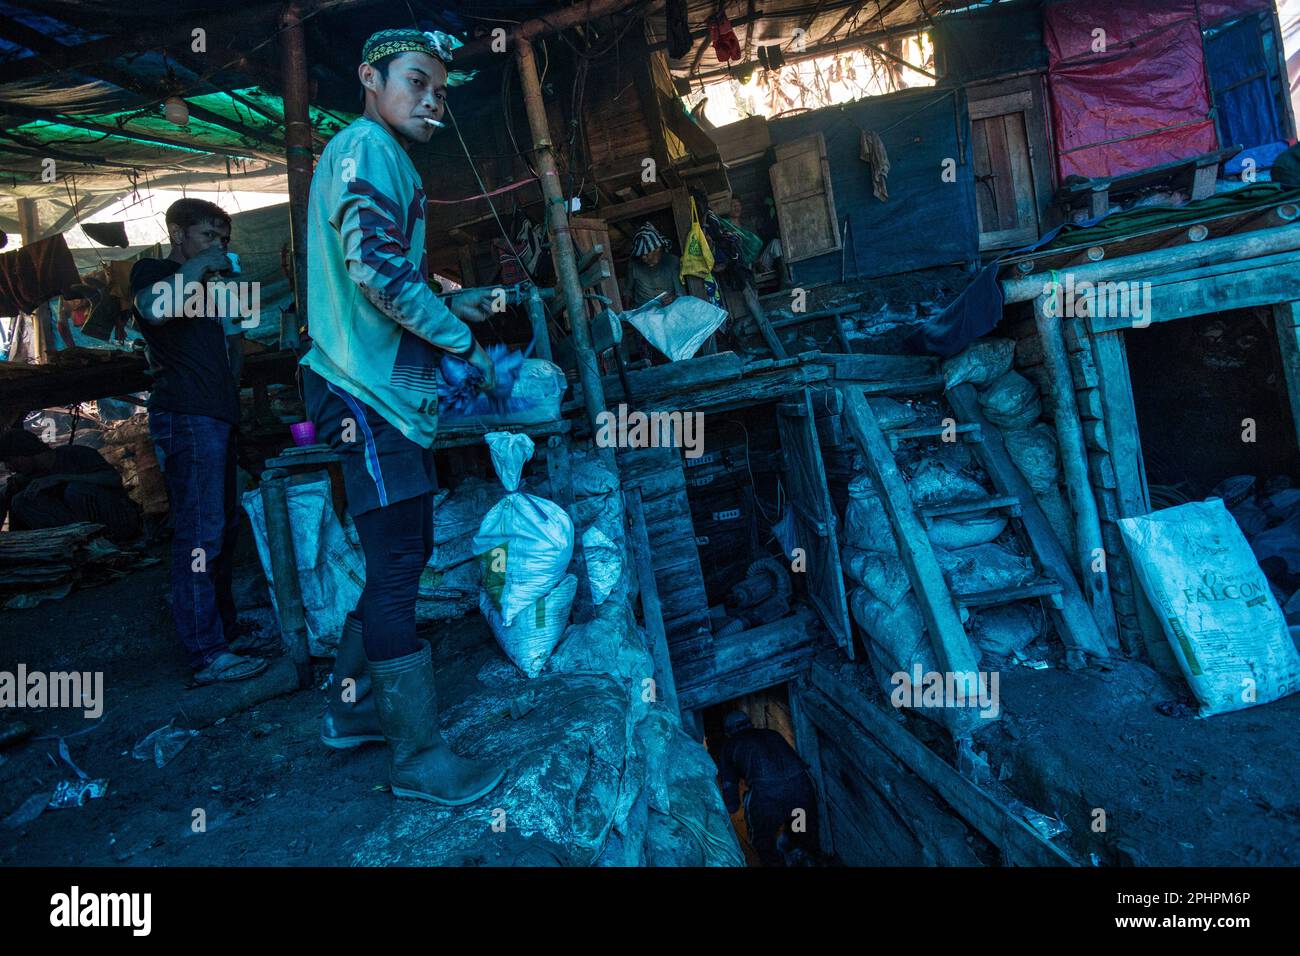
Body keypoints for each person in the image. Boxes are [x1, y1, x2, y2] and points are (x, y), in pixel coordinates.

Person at [300, 27, 504, 807]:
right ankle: (419, 759)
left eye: (441, 91)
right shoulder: (364, 148)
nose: (431, 100)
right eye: (416, 81)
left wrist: (453, 303)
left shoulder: (380, 156)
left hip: (380, 391)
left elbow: (380, 277)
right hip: (360, 390)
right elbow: (376, 269)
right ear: (370, 78)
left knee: (405, 550)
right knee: (394, 562)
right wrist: (465, 342)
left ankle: (353, 714)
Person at [131, 198, 267, 687]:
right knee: (199, 534)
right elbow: (154, 310)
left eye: (224, 239)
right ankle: (206, 654)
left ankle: (224, 634)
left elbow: (243, 334)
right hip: (185, 416)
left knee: (224, 528)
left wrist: (230, 300)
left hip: (217, 415)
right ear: (178, 235)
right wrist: (201, 266)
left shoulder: (211, 286)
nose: (219, 247)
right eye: (209, 236)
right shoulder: (152, 271)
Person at [0, 427, 141, 542]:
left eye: (10, 460)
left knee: (75, 490)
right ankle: (74, 542)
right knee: (21, 500)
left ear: (25, 453)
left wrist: (61, 478)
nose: (9, 467)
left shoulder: (76, 454)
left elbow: (113, 478)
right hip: (78, 531)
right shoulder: (29, 477)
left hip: (119, 520)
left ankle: (106, 539)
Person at [717, 710, 820, 866]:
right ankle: (802, 857)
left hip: (767, 796)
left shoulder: (729, 746)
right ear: (750, 723)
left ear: (728, 731)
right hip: (801, 788)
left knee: (763, 841)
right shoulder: (772, 734)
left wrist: (732, 806)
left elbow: (730, 792)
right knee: (801, 830)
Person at [623, 223, 685, 309]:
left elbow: (680, 294)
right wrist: (628, 312)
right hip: (643, 312)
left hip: (668, 309)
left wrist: (673, 299)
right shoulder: (633, 264)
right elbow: (627, 291)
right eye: (640, 254)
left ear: (657, 249)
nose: (643, 258)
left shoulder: (672, 261)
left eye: (646, 254)